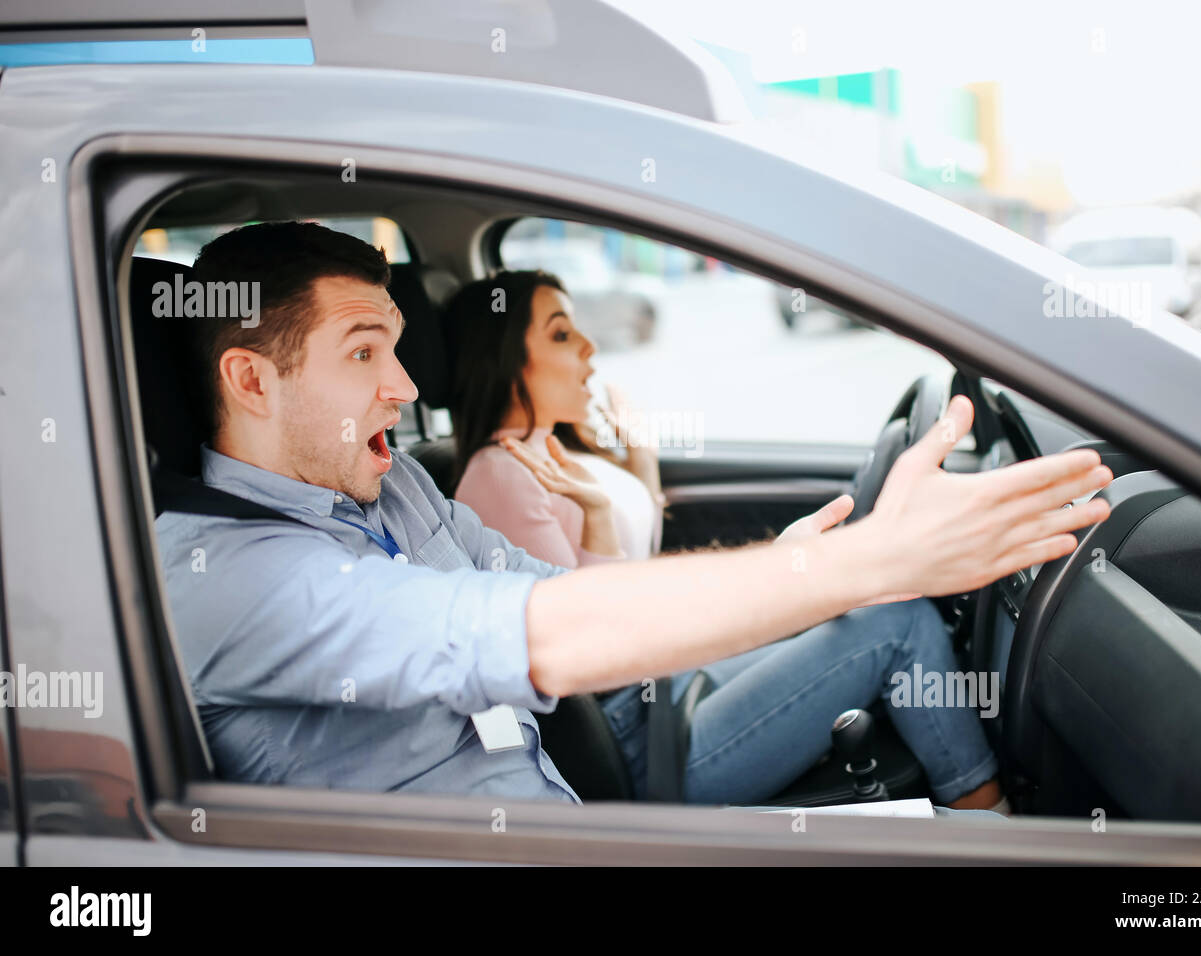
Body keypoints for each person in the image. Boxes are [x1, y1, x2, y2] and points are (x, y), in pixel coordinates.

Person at [154, 221, 1112, 810]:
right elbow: (524, 635)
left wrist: (782, 575)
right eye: (364, 354)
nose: (405, 387)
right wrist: (859, 565)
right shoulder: (218, 574)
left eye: (398, 350)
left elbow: (552, 593)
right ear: (251, 380)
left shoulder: (391, 486)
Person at [447, 269, 1013, 808]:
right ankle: (996, 821)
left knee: (859, 609)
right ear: (504, 355)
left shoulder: (551, 451)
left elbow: (633, 563)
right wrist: (771, 590)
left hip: (661, 690)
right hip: (639, 741)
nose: (591, 347)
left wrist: (640, 460)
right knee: (900, 625)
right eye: (563, 334)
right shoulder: (500, 475)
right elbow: (583, 647)